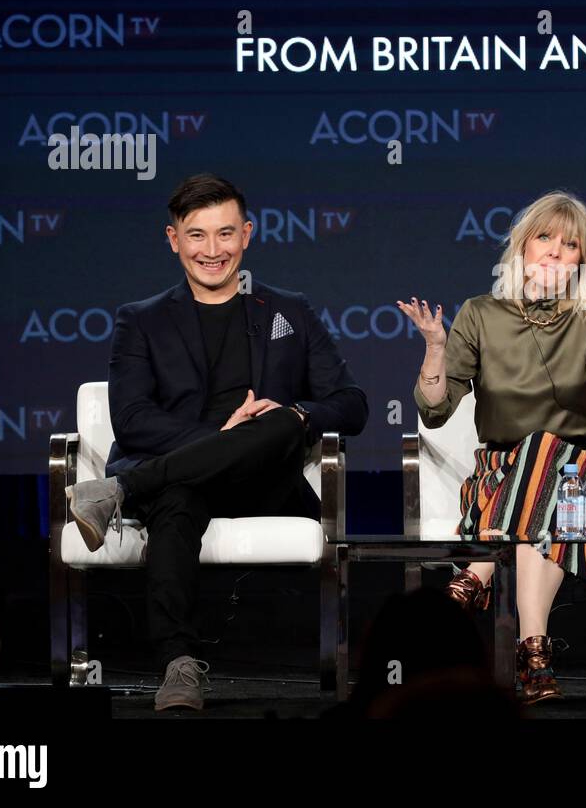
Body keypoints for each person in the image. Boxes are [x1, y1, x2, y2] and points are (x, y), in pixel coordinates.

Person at [65, 174, 368, 710]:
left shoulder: (288, 311)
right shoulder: (141, 320)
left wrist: (296, 414)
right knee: (178, 499)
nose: (213, 250)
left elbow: (352, 403)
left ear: (246, 234)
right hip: (180, 482)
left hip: (262, 483)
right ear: (173, 239)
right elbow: (132, 421)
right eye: (197, 235)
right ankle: (179, 664)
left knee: (285, 421)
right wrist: (224, 436)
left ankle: (119, 489)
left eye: (225, 233)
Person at [399, 190, 586, 703]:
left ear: (582, 261)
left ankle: (475, 576)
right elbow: (435, 409)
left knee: (550, 451)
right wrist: (436, 348)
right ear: (522, 246)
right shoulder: (480, 314)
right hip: (501, 479)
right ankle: (534, 657)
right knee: (539, 470)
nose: (554, 251)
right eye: (544, 238)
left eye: (570, 244)